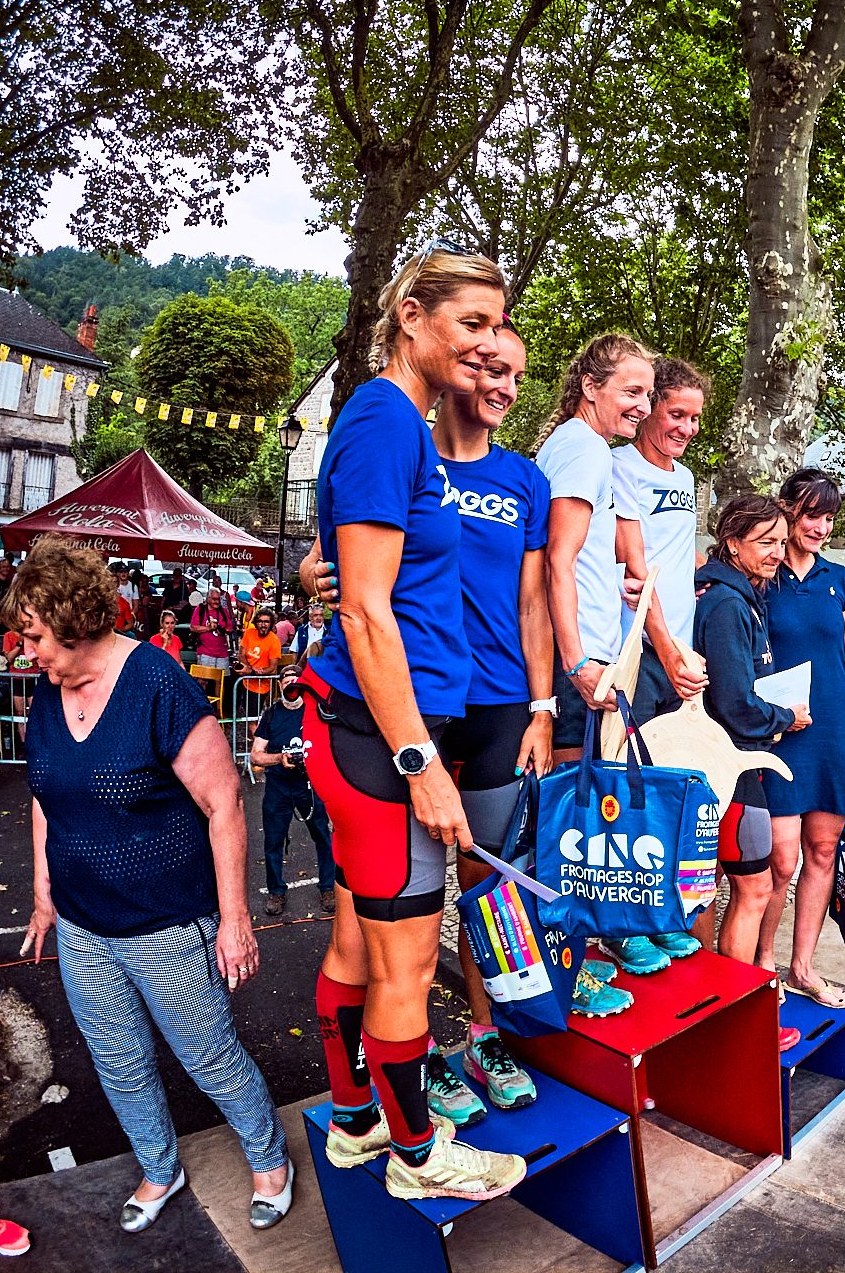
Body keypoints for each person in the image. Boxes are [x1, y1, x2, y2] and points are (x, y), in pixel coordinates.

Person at [299, 242, 524, 1201]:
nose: (484, 344)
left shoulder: (402, 425)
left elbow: (356, 576)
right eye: (469, 324)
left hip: (373, 722)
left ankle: (354, 1124)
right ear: (412, 319)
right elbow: (364, 611)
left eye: (494, 327)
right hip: (378, 734)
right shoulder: (388, 419)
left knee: (358, 942)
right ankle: (419, 1158)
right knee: (407, 959)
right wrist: (419, 759)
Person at [11, 538, 294, 1232]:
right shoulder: (47, 697)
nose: (26, 652)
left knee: (208, 1056)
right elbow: (46, 796)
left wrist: (234, 919)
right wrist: (46, 895)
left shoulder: (156, 683)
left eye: (35, 636)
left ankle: (269, 1160)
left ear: (74, 622)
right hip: (83, 925)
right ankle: (159, 1168)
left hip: (164, 922)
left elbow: (224, 801)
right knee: (118, 1060)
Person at [610, 356, 712, 971]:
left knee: (667, 787)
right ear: (650, 409)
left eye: (694, 418)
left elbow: (677, 557)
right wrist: (668, 650)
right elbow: (635, 567)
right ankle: (624, 923)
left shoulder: (689, 475)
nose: (685, 428)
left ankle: (658, 914)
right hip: (640, 651)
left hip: (680, 644)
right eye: (676, 414)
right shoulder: (619, 467)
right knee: (628, 786)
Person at [694, 496, 807, 1024]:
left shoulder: (742, 596)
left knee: (715, 886)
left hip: (737, 765)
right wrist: (784, 716)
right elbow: (736, 703)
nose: (777, 554)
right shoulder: (725, 604)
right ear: (732, 543)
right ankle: (732, 1013)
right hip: (730, 769)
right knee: (750, 885)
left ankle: (717, 1002)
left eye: (781, 543)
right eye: (765, 543)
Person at [761, 469, 845, 1009]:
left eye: (830, 517)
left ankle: (803, 966)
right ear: (786, 511)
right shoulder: (762, 572)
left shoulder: (838, 578)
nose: (821, 526)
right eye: (811, 514)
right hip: (778, 732)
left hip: (834, 729)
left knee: (822, 850)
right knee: (779, 859)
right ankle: (762, 966)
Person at [535, 334, 654, 756]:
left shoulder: (578, 443)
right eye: (632, 391)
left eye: (649, 395)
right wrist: (578, 665)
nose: (644, 406)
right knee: (574, 808)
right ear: (590, 387)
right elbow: (558, 561)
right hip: (577, 658)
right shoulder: (587, 449)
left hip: (576, 651)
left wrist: (608, 583)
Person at [251, 665, 335, 918]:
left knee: (323, 837)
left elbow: (329, 746)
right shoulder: (272, 714)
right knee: (273, 841)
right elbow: (256, 754)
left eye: (295, 681)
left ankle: (327, 888)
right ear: (280, 686)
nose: (291, 685)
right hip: (278, 787)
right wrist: (280, 758)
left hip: (309, 786)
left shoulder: (314, 711)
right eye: (286, 681)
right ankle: (276, 892)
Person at [237, 607, 283, 699]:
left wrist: (254, 672)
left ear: (271, 624)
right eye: (260, 621)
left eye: (266, 622)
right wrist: (250, 668)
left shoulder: (274, 640)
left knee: (254, 712)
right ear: (256, 623)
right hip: (244, 681)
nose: (263, 625)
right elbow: (241, 655)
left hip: (261, 687)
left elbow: (272, 667)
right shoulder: (249, 633)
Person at [192, 587, 236, 670]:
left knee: (221, 680)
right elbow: (193, 627)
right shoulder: (200, 609)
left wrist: (222, 630)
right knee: (204, 680)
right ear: (208, 599)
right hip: (205, 652)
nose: (217, 602)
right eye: (214, 599)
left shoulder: (223, 611)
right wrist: (209, 628)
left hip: (222, 652)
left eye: (218, 599)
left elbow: (230, 629)